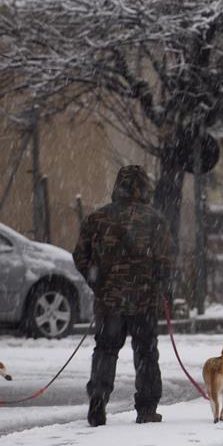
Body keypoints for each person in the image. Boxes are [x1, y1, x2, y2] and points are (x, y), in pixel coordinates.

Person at [74, 165, 174, 427]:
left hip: (109, 302)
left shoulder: (97, 219)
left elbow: (80, 257)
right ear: (144, 188)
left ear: (118, 186)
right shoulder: (154, 220)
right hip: (144, 300)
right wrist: (159, 283)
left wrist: (97, 282)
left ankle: (98, 397)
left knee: (105, 350)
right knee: (146, 352)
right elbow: (165, 261)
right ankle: (147, 408)